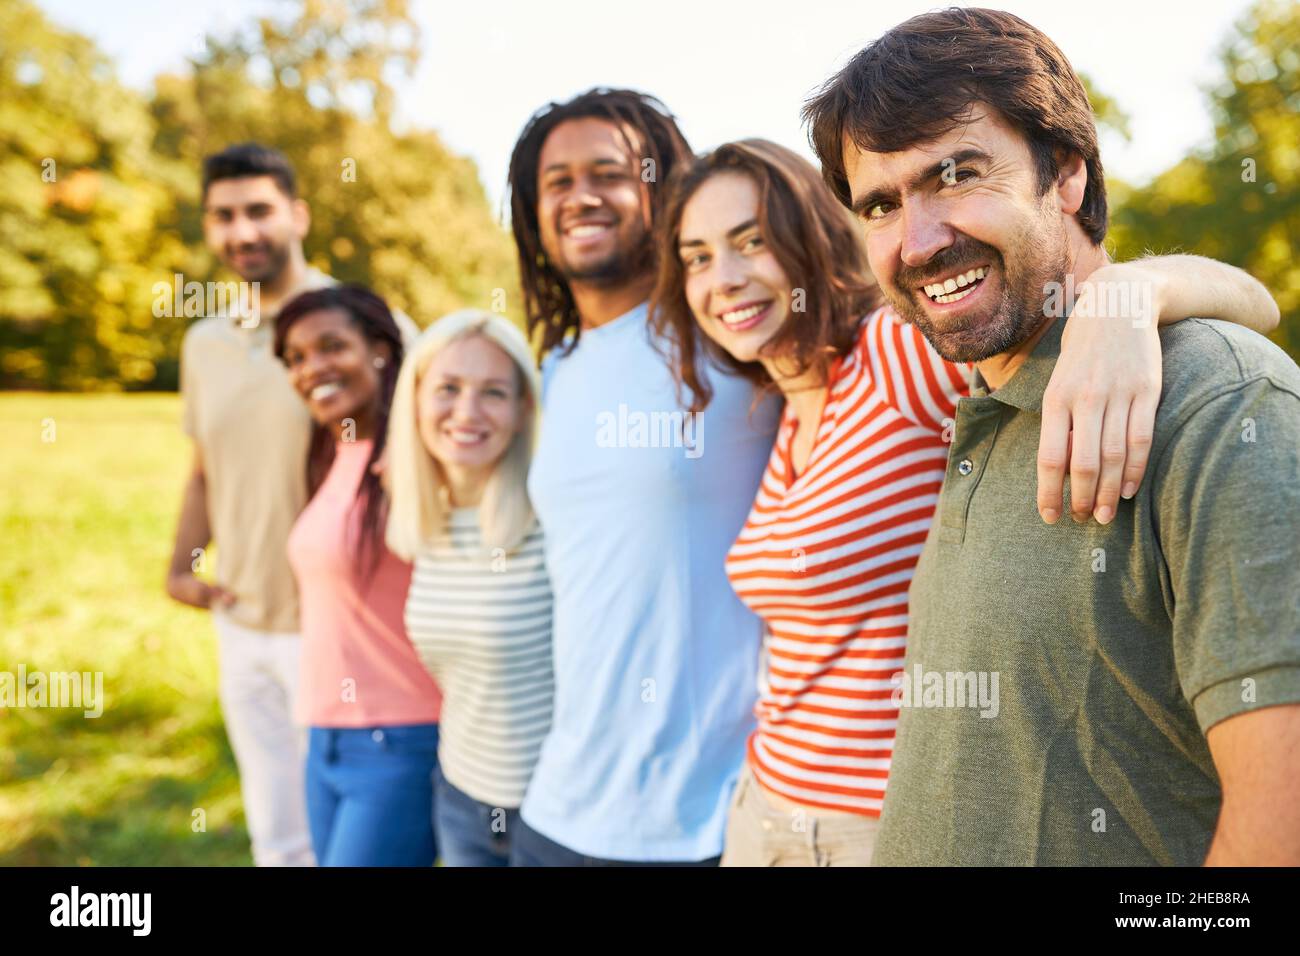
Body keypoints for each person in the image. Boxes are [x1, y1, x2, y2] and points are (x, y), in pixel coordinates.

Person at [651, 138, 1279, 866]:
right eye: (697, 257)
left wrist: (1129, 294)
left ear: (814, 237)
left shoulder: (893, 356)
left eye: (750, 242)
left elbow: (1252, 300)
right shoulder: (775, 411)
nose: (722, 278)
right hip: (762, 806)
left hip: (868, 826)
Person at [803, 6, 1300, 865]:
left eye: (957, 174)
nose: (918, 242)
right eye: (881, 204)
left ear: (1066, 174)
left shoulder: (1219, 403)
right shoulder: (978, 400)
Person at [504, 88, 781, 865]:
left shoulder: (735, 339)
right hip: (557, 815)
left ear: (664, 190)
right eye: (556, 181)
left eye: (608, 173)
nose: (579, 195)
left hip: (711, 823)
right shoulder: (552, 368)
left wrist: (1132, 296)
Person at [166, 143, 333, 866]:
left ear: (296, 215)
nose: (242, 233)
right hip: (239, 617)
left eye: (259, 210)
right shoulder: (205, 343)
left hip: (336, 628)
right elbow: (205, 467)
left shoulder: (356, 326)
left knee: (350, 842)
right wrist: (180, 566)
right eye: (223, 216)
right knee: (277, 837)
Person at [274, 284, 443, 867]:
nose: (311, 369)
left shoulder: (424, 456)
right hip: (325, 735)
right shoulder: (334, 452)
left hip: (401, 739)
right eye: (295, 358)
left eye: (330, 347)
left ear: (379, 349)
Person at [385, 310, 552, 867]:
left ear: (524, 407)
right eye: (448, 388)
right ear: (414, 400)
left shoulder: (552, 518)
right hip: (460, 795)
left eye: (494, 393)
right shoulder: (425, 522)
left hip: (553, 811)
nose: (467, 412)